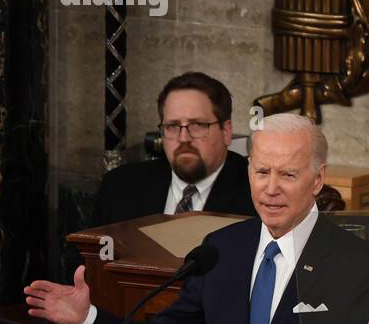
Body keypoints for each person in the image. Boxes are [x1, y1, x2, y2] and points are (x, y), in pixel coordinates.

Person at [25, 114, 369, 324]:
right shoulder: (221, 251)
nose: (271, 189)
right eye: (261, 172)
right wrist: (87, 319)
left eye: (287, 175)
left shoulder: (357, 263)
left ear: (317, 179)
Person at [91, 71, 255, 226]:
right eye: (172, 126)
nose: (183, 138)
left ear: (226, 132)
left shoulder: (258, 195)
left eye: (197, 125)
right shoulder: (119, 187)